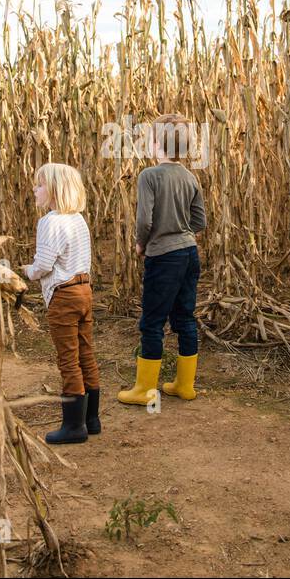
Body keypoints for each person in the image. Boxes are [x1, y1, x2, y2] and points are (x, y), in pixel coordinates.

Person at [118, 113, 207, 405]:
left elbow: (144, 220)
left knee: (152, 322)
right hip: (189, 253)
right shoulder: (190, 176)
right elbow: (200, 221)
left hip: (164, 257)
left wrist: (142, 243)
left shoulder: (149, 176)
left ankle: (144, 390)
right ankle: (185, 385)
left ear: (156, 143)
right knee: (185, 318)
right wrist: (181, 232)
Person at [22, 163, 99, 443]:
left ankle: (74, 427)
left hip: (64, 296)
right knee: (85, 353)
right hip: (84, 291)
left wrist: (28, 272)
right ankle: (92, 419)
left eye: (40, 185)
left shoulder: (50, 222)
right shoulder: (78, 219)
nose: (35, 189)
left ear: (54, 190)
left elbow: (43, 264)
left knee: (68, 358)